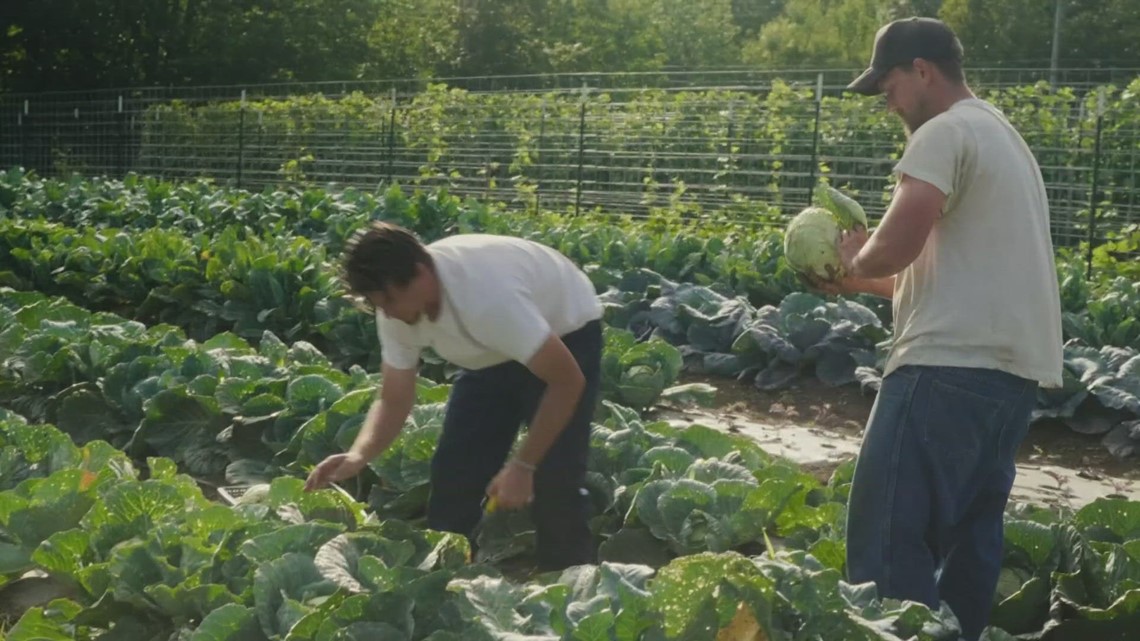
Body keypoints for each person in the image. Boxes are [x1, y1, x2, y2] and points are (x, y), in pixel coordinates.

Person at [813, 16, 1064, 641]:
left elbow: (894, 248)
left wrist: (853, 257)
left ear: (921, 70)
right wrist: (854, 280)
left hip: (944, 370)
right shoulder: (1001, 135)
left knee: (887, 540)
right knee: (968, 547)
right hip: (1007, 378)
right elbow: (925, 276)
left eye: (888, 85)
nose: (887, 101)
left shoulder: (942, 133)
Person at [303, 221, 604, 572]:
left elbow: (567, 382)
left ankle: (570, 585)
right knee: (454, 474)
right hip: (487, 357)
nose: (386, 312)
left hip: (564, 332)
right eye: (375, 304)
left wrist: (523, 466)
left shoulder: (488, 299)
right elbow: (394, 397)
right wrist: (358, 455)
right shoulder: (395, 310)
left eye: (389, 300)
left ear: (420, 273)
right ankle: (446, 582)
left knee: (555, 481)